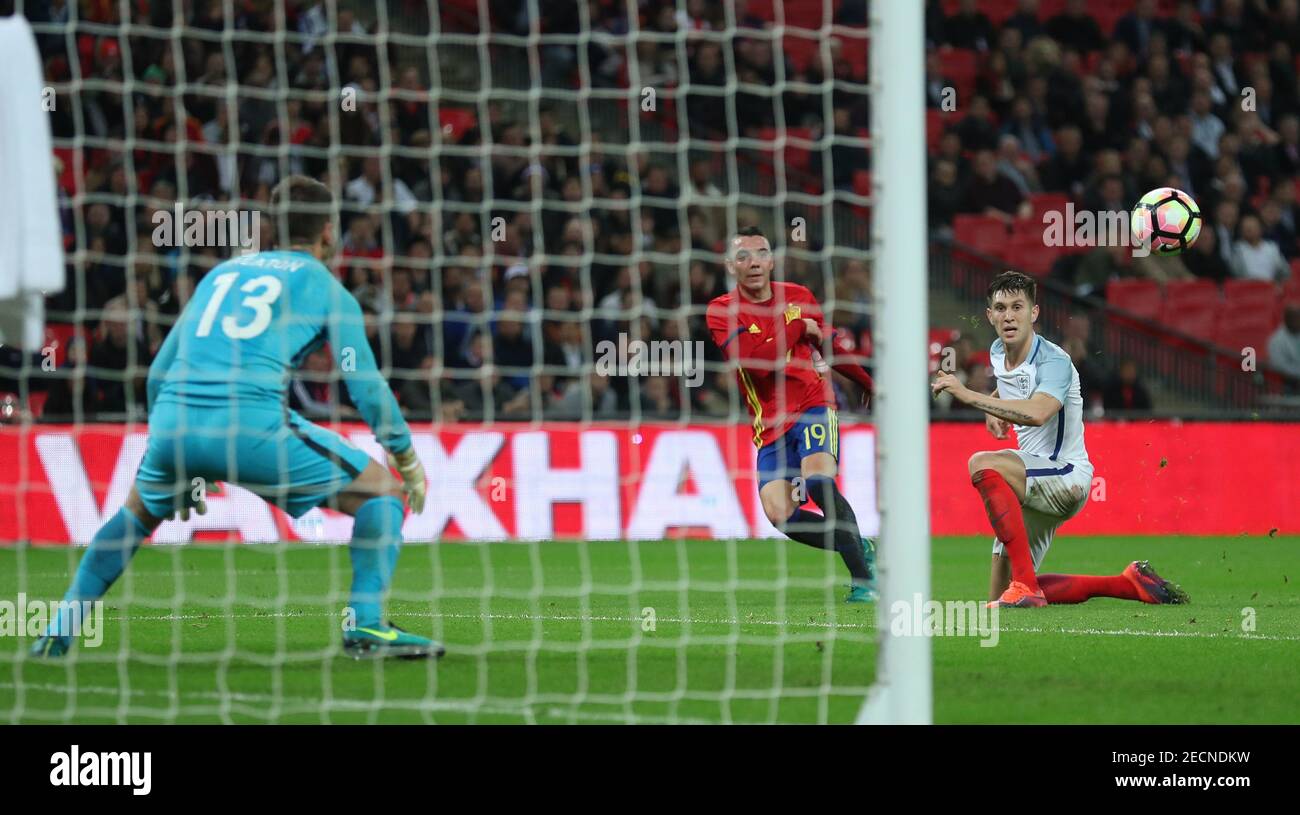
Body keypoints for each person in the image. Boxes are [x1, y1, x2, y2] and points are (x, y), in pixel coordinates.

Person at [33, 176, 441, 660]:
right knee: (383, 494)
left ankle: (56, 631)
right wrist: (408, 461)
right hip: (252, 428)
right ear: (329, 233)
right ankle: (366, 626)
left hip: (173, 423)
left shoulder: (220, 276)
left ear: (271, 229)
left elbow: (158, 373)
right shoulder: (328, 290)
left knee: (134, 516)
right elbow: (366, 389)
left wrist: (174, 455)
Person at [932, 271, 1188, 608]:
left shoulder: (1054, 360)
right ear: (989, 315)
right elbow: (1016, 385)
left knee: (981, 464)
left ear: (1034, 313)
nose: (1009, 315)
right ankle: (1126, 584)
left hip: (1065, 474)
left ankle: (1025, 585)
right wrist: (995, 404)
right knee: (997, 601)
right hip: (1035, 479)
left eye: (1018, 307)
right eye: (1001, 308)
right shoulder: (999, 352)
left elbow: (1039, 411)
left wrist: (970, 396)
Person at [705, 227, 879, 602]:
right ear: (730, 266)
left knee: (817, 481)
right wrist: (797, 325)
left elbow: (828, 341)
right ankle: (857, 545)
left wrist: (867, 382)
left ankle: (864, 581)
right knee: (780, 513)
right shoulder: (721, 311)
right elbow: (756, 362)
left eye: (761, 253)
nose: (753, 262)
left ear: (771, 259)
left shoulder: (799, 296)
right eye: (743, 256)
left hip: (813, 405)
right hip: (769, 426)